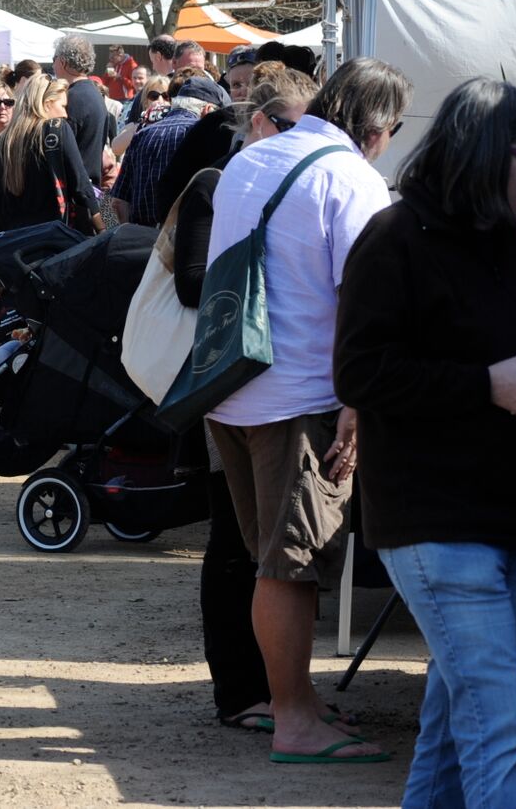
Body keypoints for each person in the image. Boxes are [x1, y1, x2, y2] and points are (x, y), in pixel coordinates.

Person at [334, 78, 516, 795]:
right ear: (487, 151)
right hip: (440, 522)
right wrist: (489, 384)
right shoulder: (395, 238)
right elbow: (360, 374)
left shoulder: (501, 237)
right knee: (501, 732)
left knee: (449, 728)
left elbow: (513, 350)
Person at [203, 56, 410, 767]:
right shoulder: (350, 176)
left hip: (232, 385)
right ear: (380, 128)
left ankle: (294, 699)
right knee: (287, 566)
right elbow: (369, 297)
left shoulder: (252, 158)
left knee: (270, 558)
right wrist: (357, 399)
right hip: (299, 397)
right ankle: (293, 716)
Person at [157, 76, 313, 737]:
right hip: (227, 378)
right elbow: (194, 281)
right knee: (231, 544)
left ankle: (263, 687)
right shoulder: (217, 185)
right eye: (298, 129)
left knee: (244, 544)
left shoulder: (244, 185)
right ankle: (239, 689)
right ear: (263, 124)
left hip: (245, 379)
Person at [0, 72, 96, 233]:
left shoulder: (0, 143)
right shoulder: (56, 129)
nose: (65, 114)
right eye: (63, 106)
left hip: (13, 246)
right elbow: (83, 187)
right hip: (52, 243)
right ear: (47, 104)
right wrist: (111, 225)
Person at [110, 88, 207, 227]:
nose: (160, 101)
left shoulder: (143, 135)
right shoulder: (137, 130)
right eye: (154, 96)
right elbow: (113, 200)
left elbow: (117, 201)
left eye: (166, 96)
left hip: (146, 232)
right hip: (175, 233)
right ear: (144, 100)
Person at [52, 33, 116, 184]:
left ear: (63, 62)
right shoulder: (95, 94)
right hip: (91, 189)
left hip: (77, 193)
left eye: (53, 59)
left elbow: (63, 151)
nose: (53, 65)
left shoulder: (72, 98)